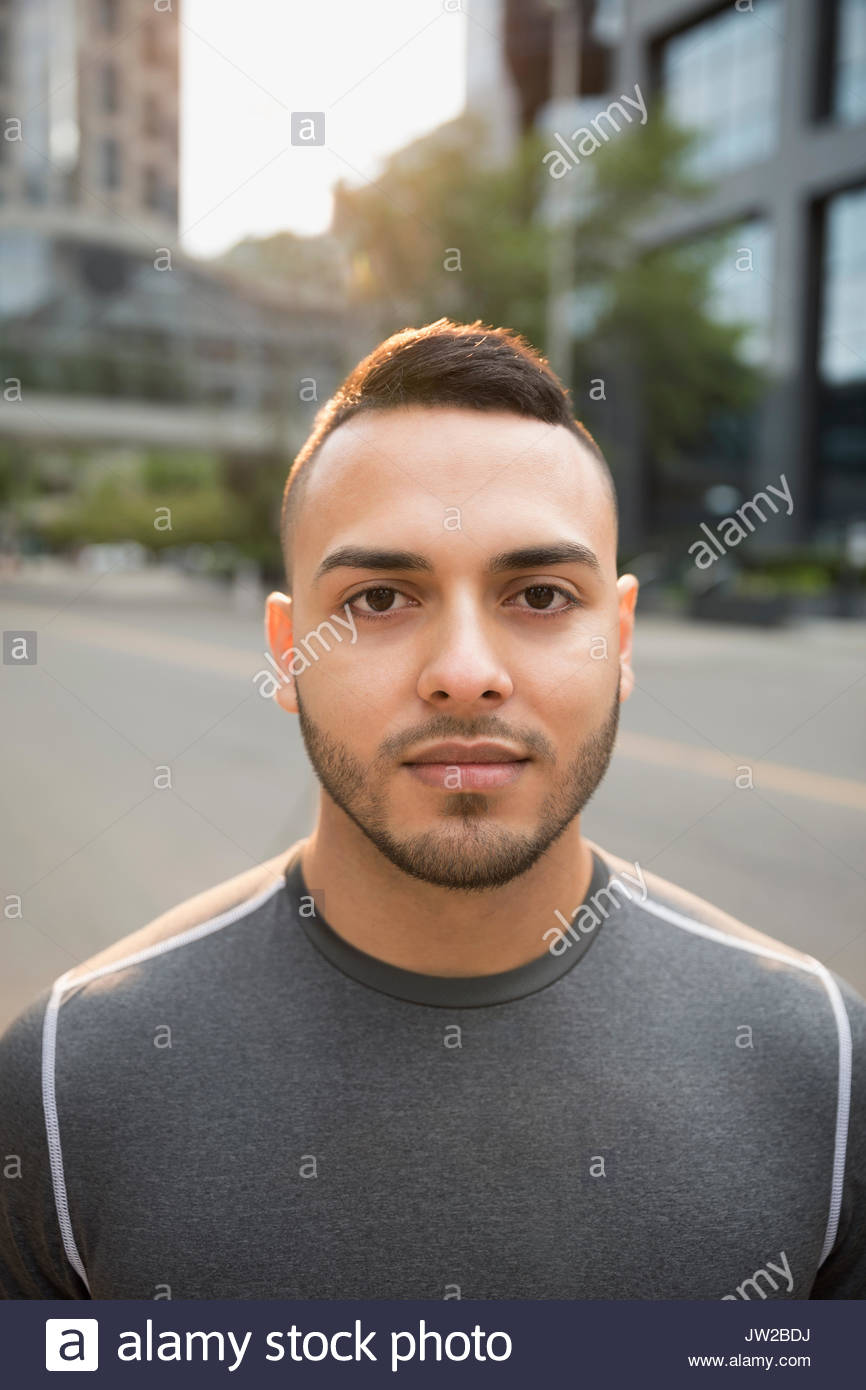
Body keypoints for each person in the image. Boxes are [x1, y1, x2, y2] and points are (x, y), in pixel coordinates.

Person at [1, 319, 863, 1300]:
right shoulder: (66, 1080)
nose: (463, 674)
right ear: (287, 651)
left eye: (539, 593)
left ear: (619, 641)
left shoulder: (823, 1067)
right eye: (377, 600)